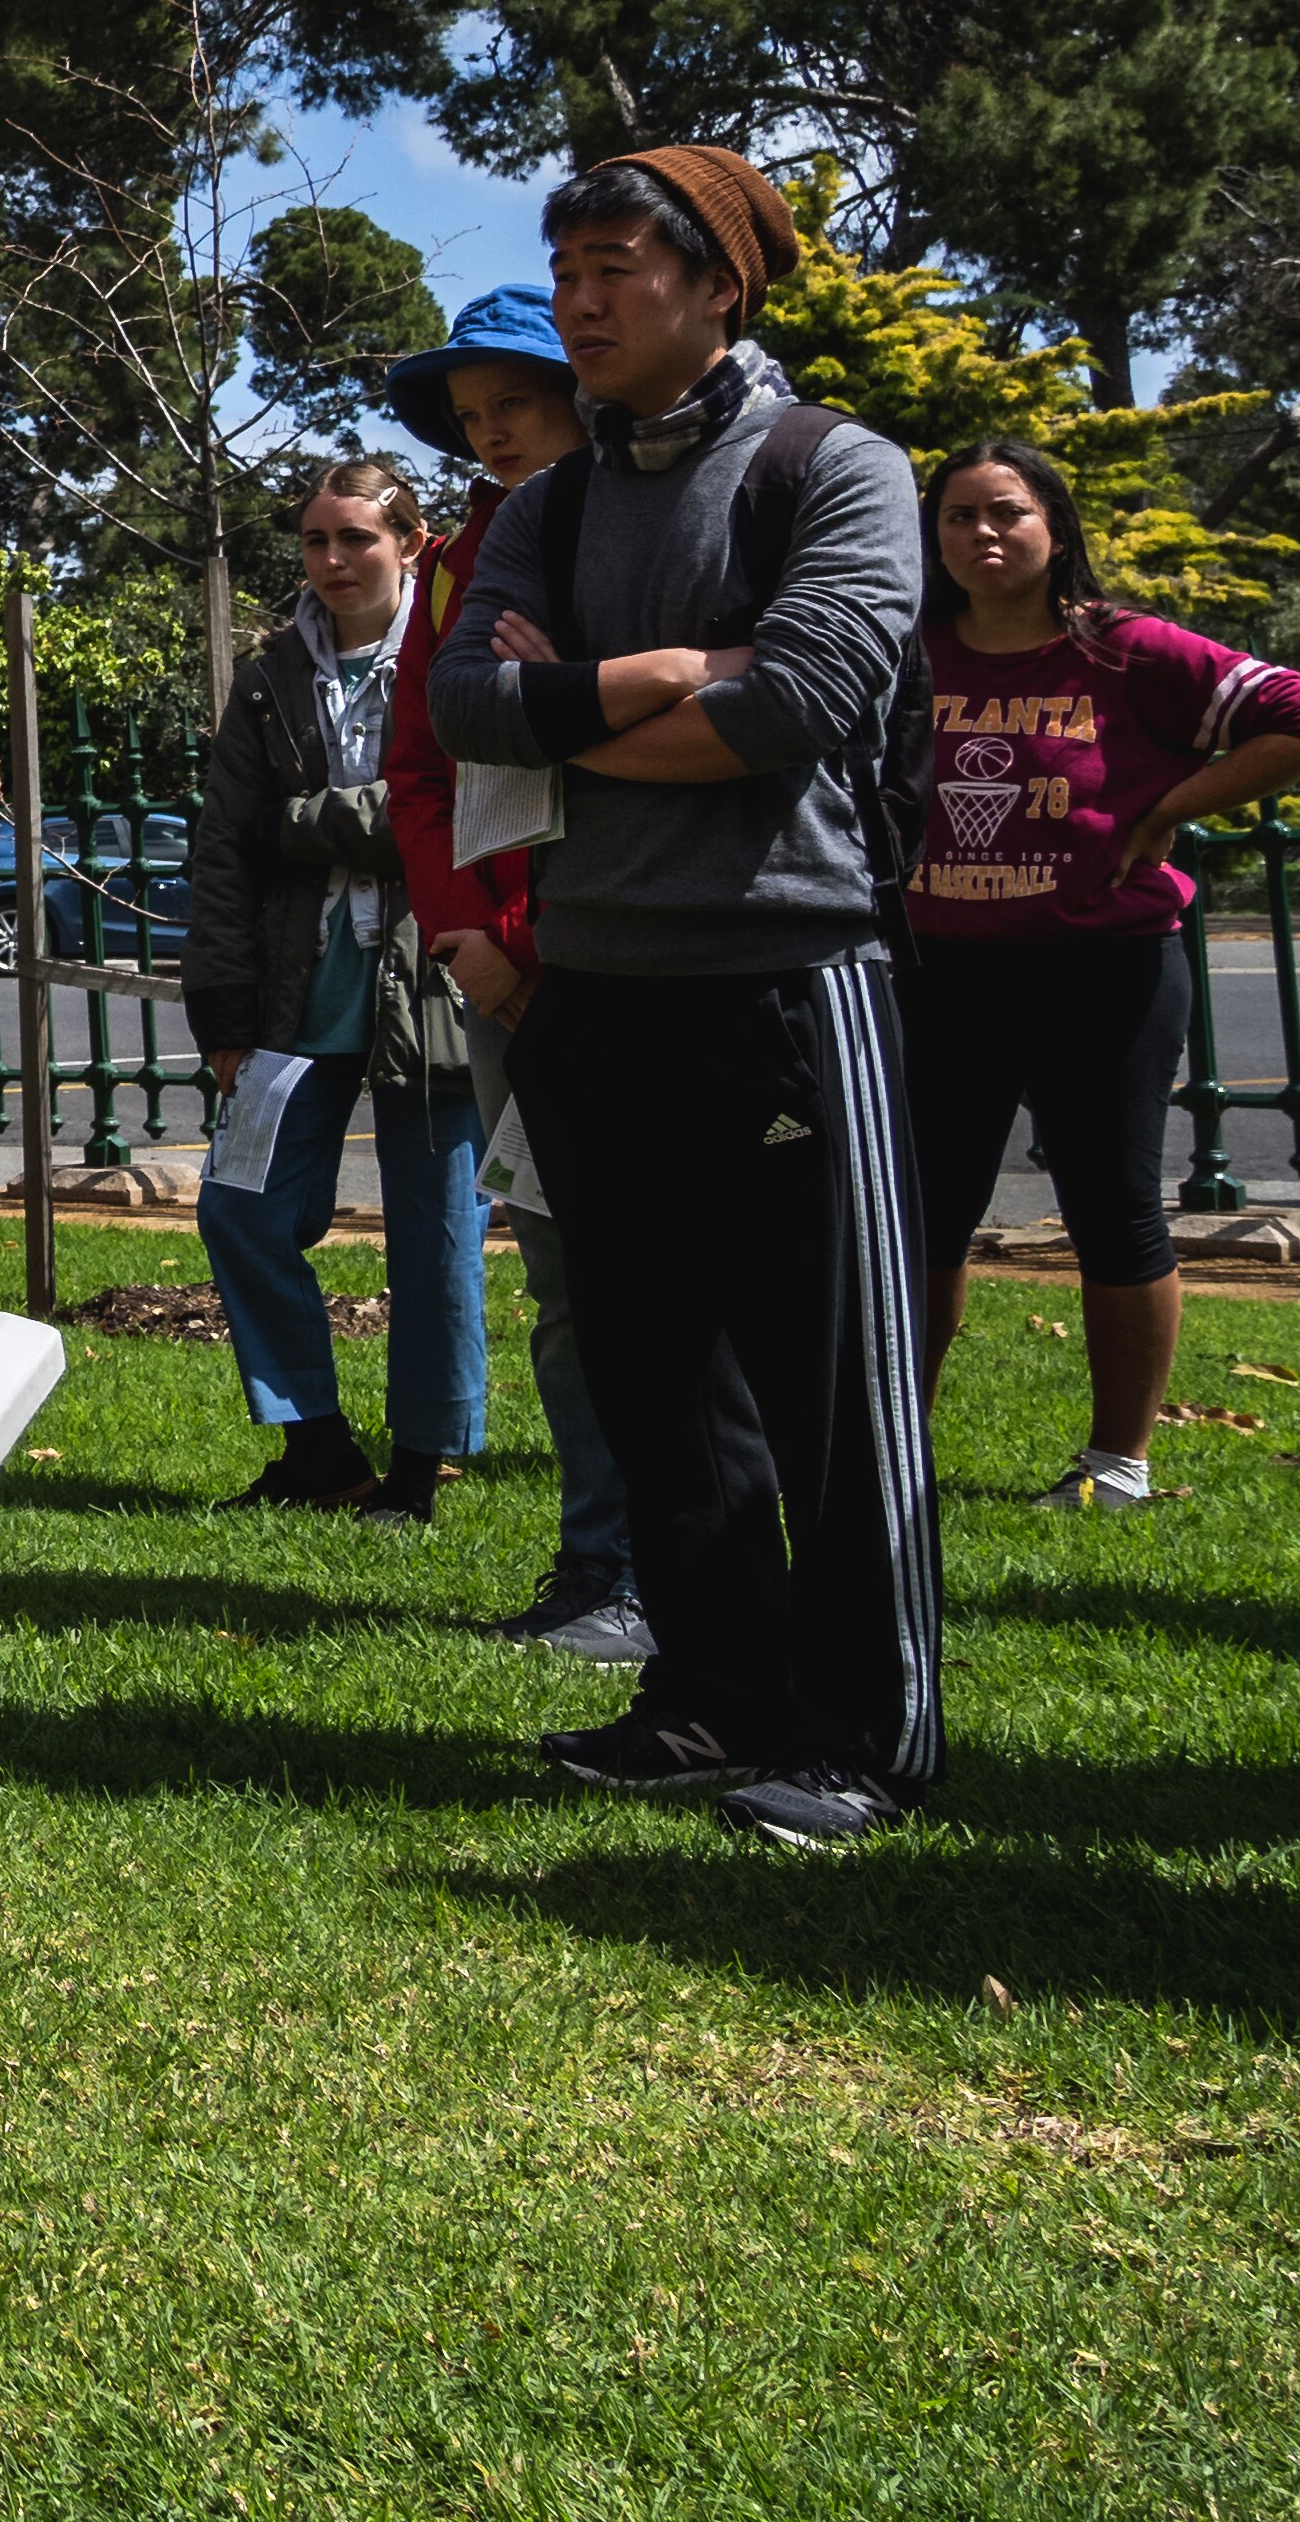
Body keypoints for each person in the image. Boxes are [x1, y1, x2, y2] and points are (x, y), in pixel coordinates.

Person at [431, 143, 940, 1850]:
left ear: (720, 288)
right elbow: (461, 713)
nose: (577, 303)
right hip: (598, 987)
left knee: (826, 1383)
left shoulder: (833, 468)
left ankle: (868, 1734)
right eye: (562, 270)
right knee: (656, 1375)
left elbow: (799, 702)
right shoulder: (545, 505)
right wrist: (662, 676)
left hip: (787, 977)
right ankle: (712, 1694)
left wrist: (569, 706)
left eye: (613, 273)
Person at [907, 438, 1300, 1508]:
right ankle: (896, 1451)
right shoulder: (909, 650)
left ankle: (1117, 1463)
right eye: (954, 517)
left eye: (1005, 512)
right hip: (936, 970)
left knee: (1112, 1206)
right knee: (922, 1215)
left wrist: (1173, 805)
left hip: (1104, 970)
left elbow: (1291, 712)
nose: (980, 534)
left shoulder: (1126, 650)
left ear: (1054, 525)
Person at [380, 288, 650, 1661]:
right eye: (469, 417)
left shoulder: (649, 536)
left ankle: (686, 1566)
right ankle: (596, 1558)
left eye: (514, 407)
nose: (487, 435)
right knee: (561, 1279)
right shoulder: (452, 564)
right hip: (493, 973)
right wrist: (465, 937)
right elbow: (423, 766)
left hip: (630, 955)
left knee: (673, 1279)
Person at [186, 459, 484, 1521]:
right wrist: (220, 1010)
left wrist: (307, 821)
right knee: (239, 1206)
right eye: (316, 541)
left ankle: (418, 1468)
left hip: (437, 982)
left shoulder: (459, 652)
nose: (333, 561)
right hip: (294, 992)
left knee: (436, 1228)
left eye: (357, 537)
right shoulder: (269, 675)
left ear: (409, 541)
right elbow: (227, 844)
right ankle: (315, 1447)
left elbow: (453, 804)